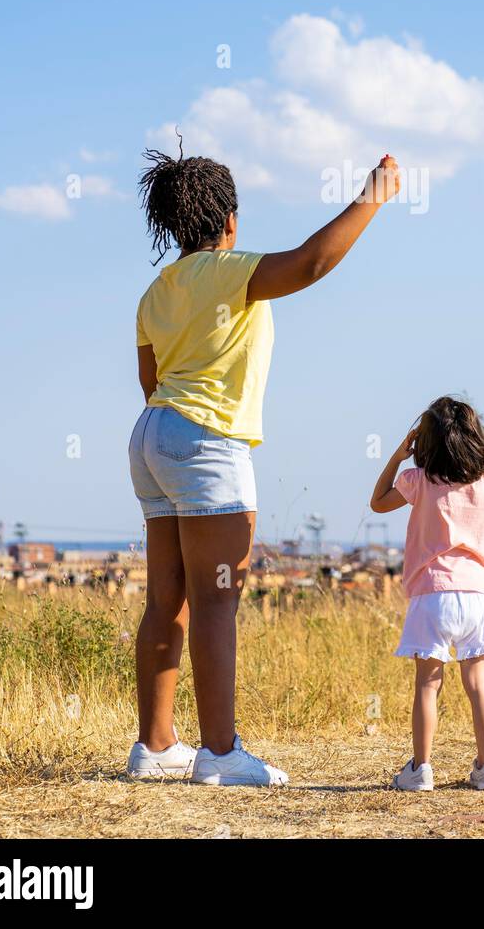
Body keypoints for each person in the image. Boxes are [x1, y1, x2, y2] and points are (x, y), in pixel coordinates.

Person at [126, 146, 401, 785]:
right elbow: (312, 261)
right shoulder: (227, 271)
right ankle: (219, 756)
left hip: (151, 435)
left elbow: (150, 380)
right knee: (217, 599)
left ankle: (156, 745)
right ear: (230, 219)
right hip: (206, 440)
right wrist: (374, 195)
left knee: (168, 597)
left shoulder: (155, 292)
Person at [370, 398, 484, 791]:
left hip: (432, 594)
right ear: (473, 438)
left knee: (428, 685)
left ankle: (420, 770)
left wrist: (398, 457)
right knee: (477, 682)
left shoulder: (417, 480)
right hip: (476, 595)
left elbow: (378, 501)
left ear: (427, 442)